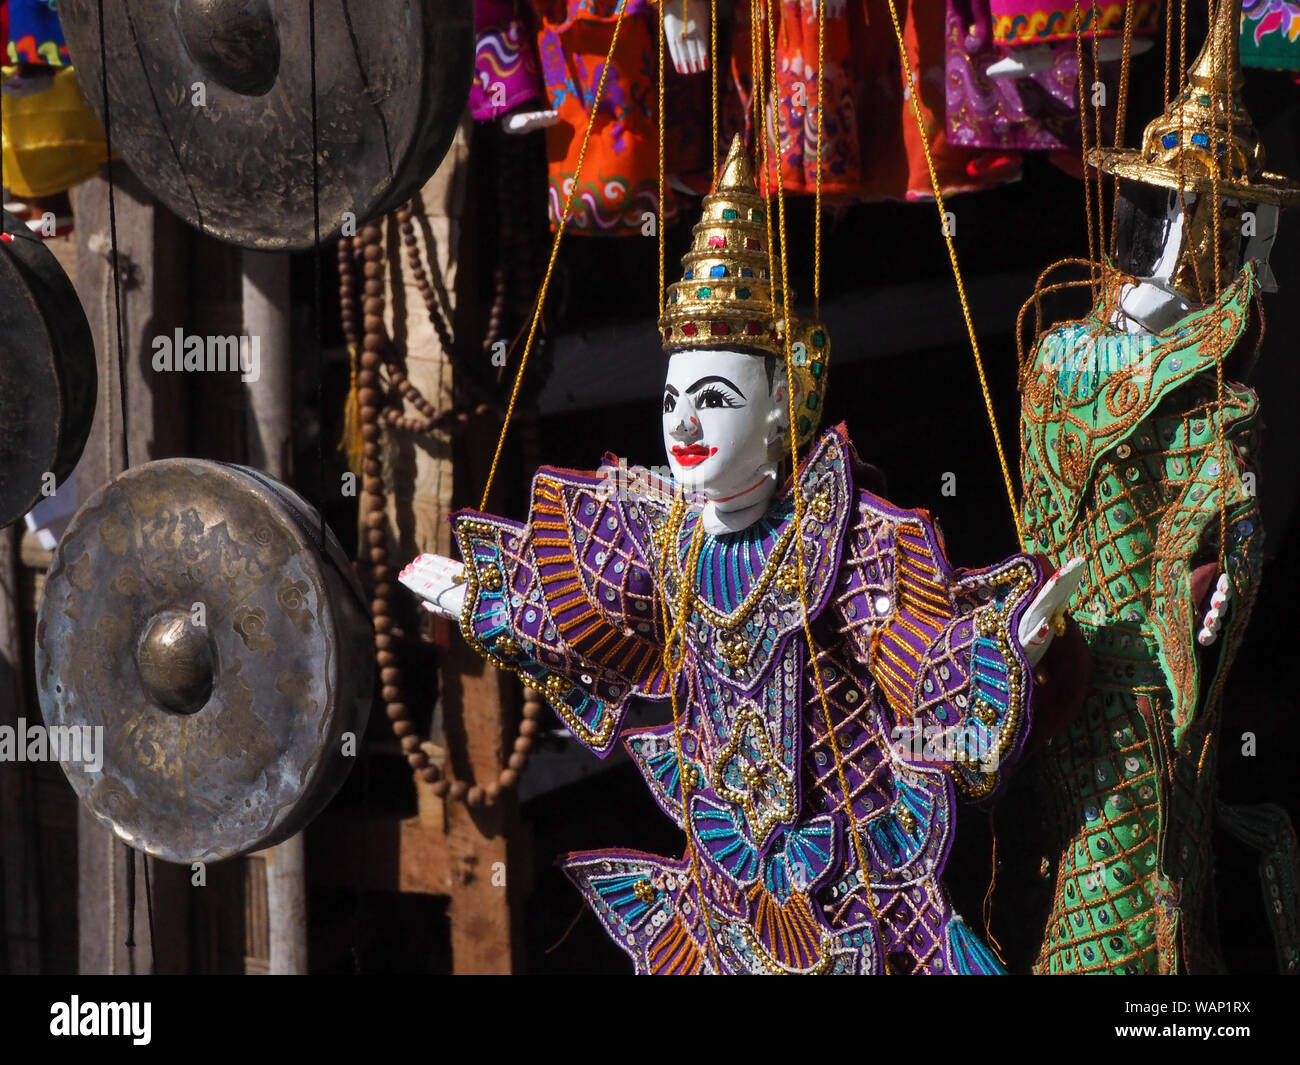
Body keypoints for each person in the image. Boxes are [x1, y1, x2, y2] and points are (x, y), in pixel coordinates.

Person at [404, 135, 1086, 974]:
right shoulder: (663, 536)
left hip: (846, 872)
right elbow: (588, 615)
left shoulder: (843, 537)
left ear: (780, 405)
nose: (683, 426)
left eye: (714, 398)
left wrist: (999, 649)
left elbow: (917, 655)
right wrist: (484, 596)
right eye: (672, 399)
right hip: (723, 879)